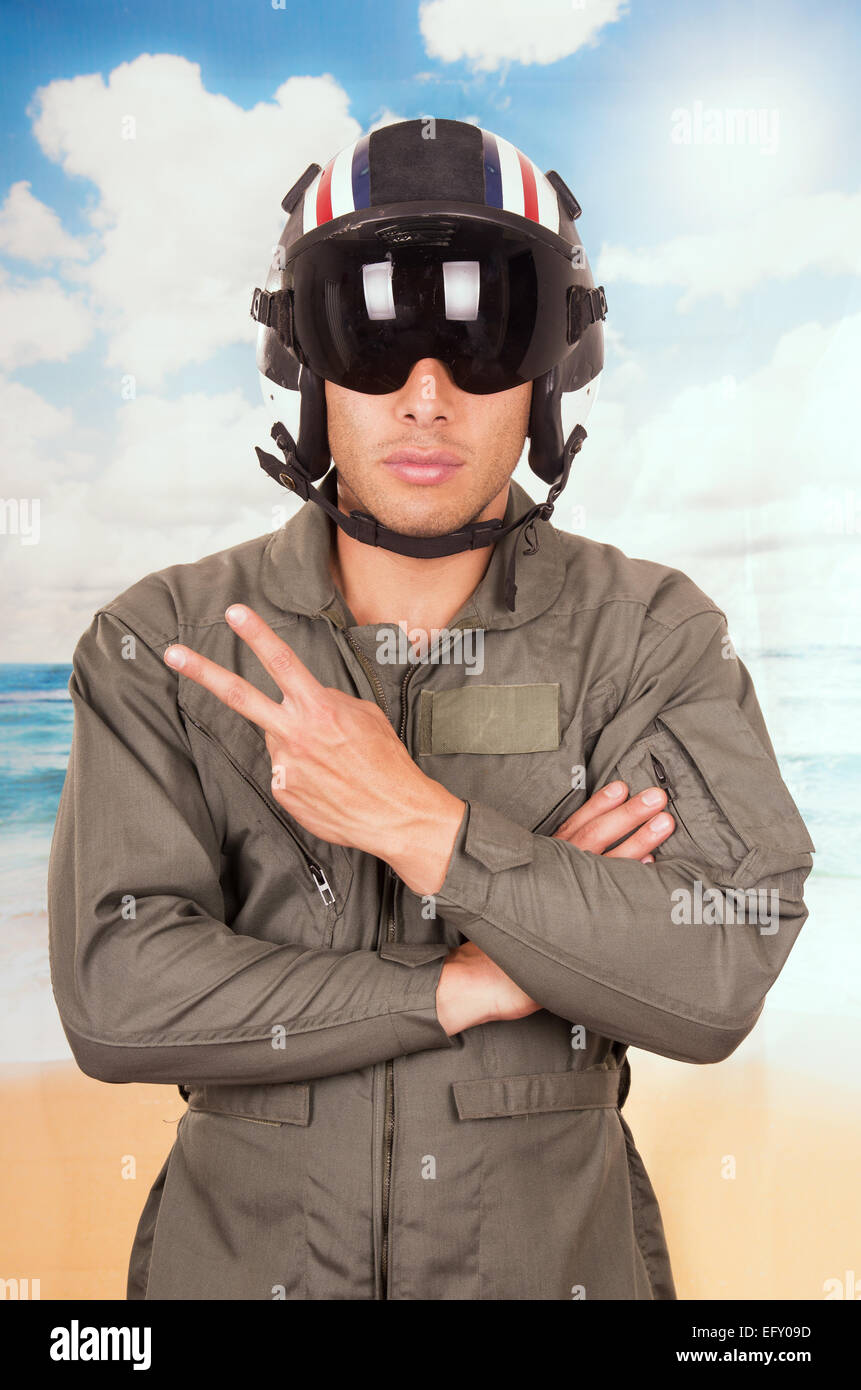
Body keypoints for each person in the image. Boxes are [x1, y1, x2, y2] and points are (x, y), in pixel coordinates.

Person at [47, 118, 815, 1301]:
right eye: (372, 334)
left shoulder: (652, 636)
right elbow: (119, 997)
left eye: (480, 331)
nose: (425, 394)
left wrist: (431, 835)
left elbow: (719, 962)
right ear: (307, 365)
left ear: (552, 366)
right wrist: (466, 981)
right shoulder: (164, 642)